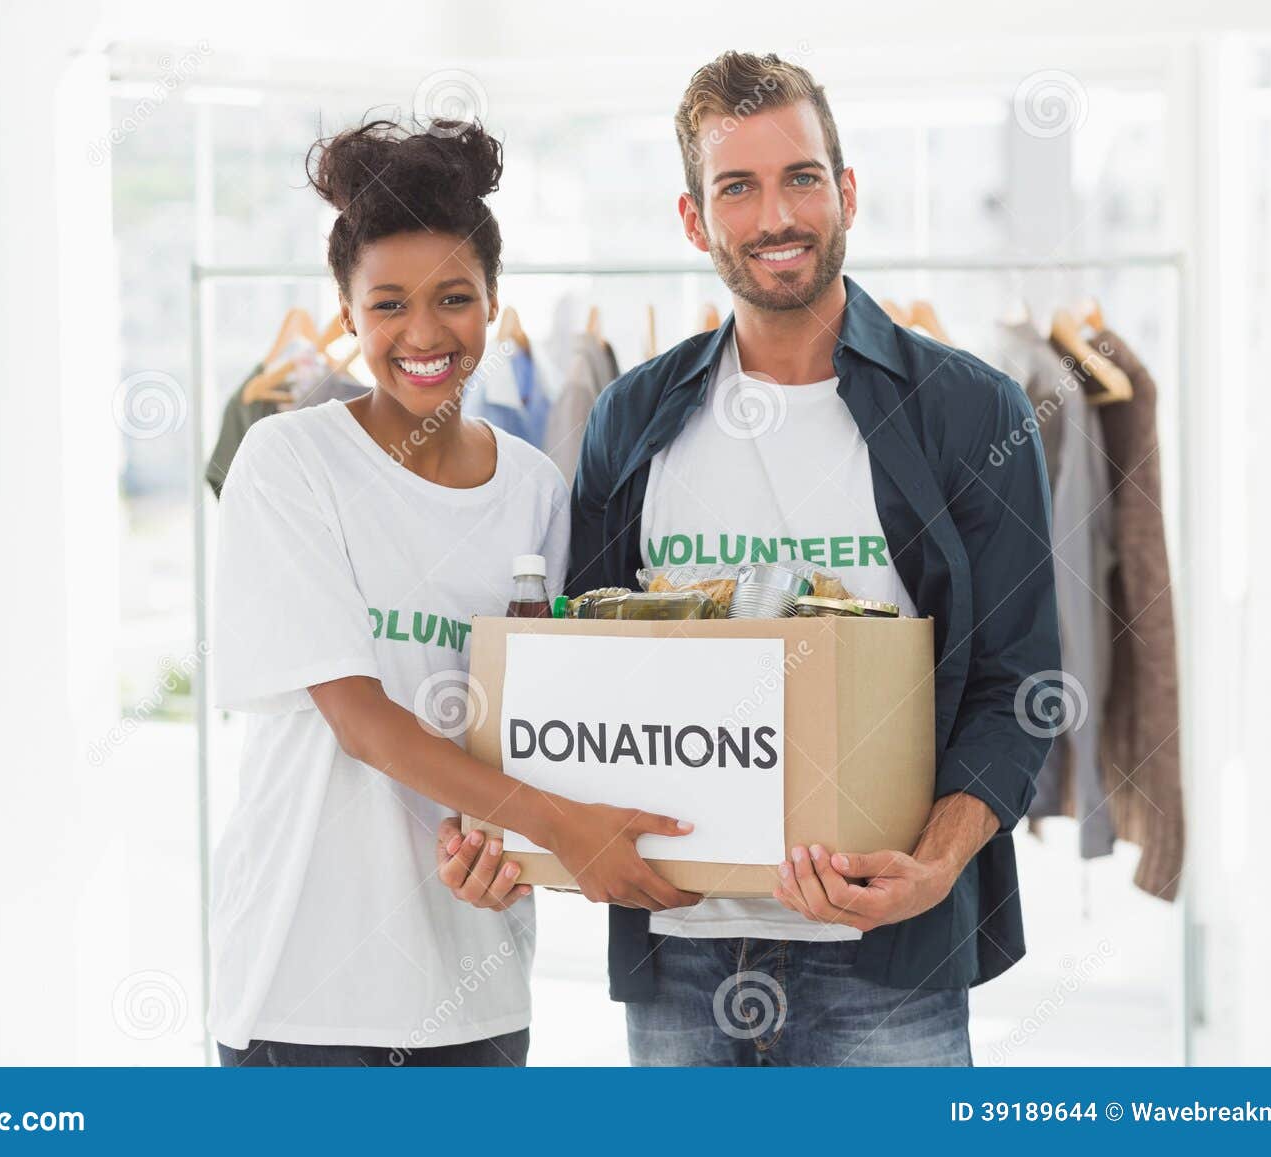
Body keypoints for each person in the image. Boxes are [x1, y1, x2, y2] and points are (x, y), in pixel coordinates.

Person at [444, 52, 1060, 1067]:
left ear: (845, 190)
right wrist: (509, 831)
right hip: (682, 950)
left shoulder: (969, 410)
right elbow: (580, 670)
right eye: (738, 186)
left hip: (885, 961)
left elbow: (1020, 679)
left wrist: (937, 862)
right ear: (695, 219)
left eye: (800, 177)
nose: (776, 214)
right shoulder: (633, 415)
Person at [207, 117, 700, 1068]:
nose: (424, 334)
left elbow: (546, 728)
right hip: (305, 997)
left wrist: (517, 847)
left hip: (475, 989)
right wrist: (559, 826)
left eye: (454, 298)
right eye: (388, 303)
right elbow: (359, 718)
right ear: (345, 313)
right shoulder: (289, 463)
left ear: (494, 302)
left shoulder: (537, 490)